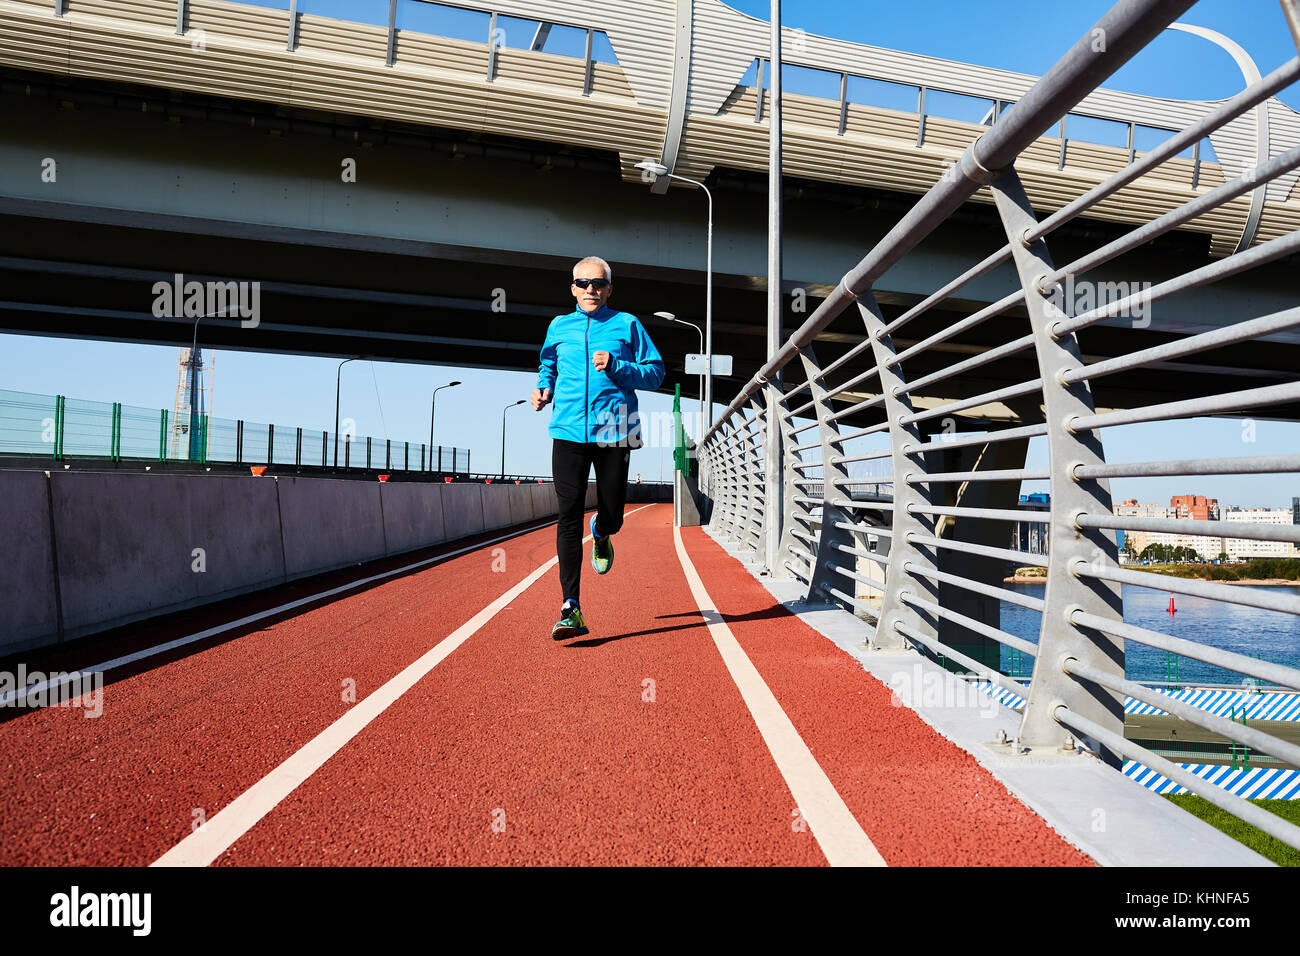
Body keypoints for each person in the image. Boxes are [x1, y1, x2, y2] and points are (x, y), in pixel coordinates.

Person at [532, 256, 665, 639]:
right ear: (572, 287)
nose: (591, 289)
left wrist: (617, 367)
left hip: (616, 429)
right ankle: (570, 606)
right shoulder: (559, 326)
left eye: (599, 283)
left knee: (614, 516)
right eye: (583, 282)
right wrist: (545, 389)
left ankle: (603, 531)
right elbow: (548, 366)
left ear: (609, 288)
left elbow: (655, 372)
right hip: (568, 431)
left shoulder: (628, 325)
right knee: (567, 515)